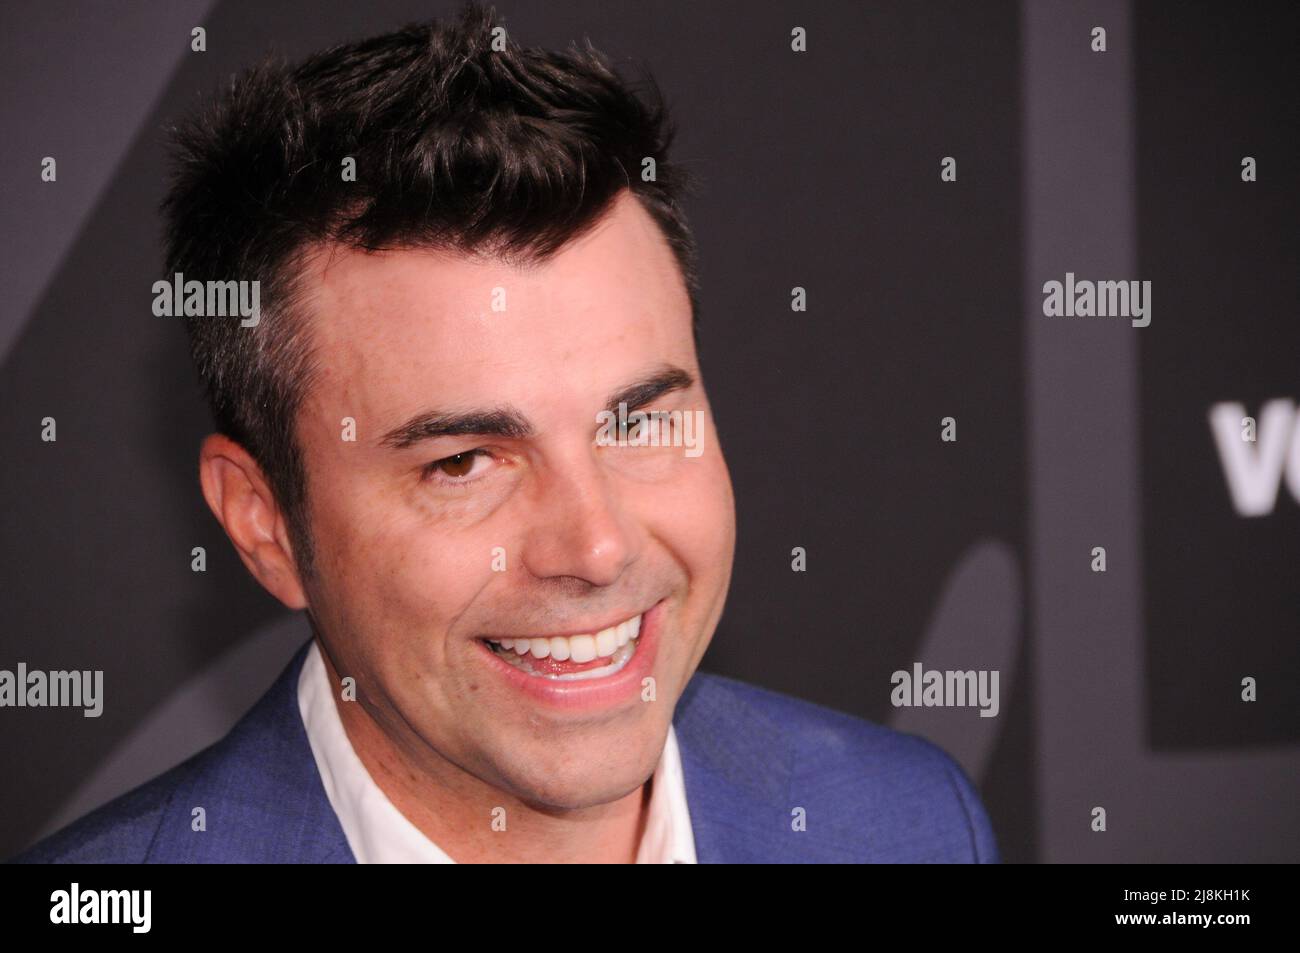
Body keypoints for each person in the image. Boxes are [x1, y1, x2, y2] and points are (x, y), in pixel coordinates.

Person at [14, 1, 998, 864]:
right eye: (464, 461)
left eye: (637, 420)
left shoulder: (908, 822)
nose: (597, 543)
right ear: (265, 521)